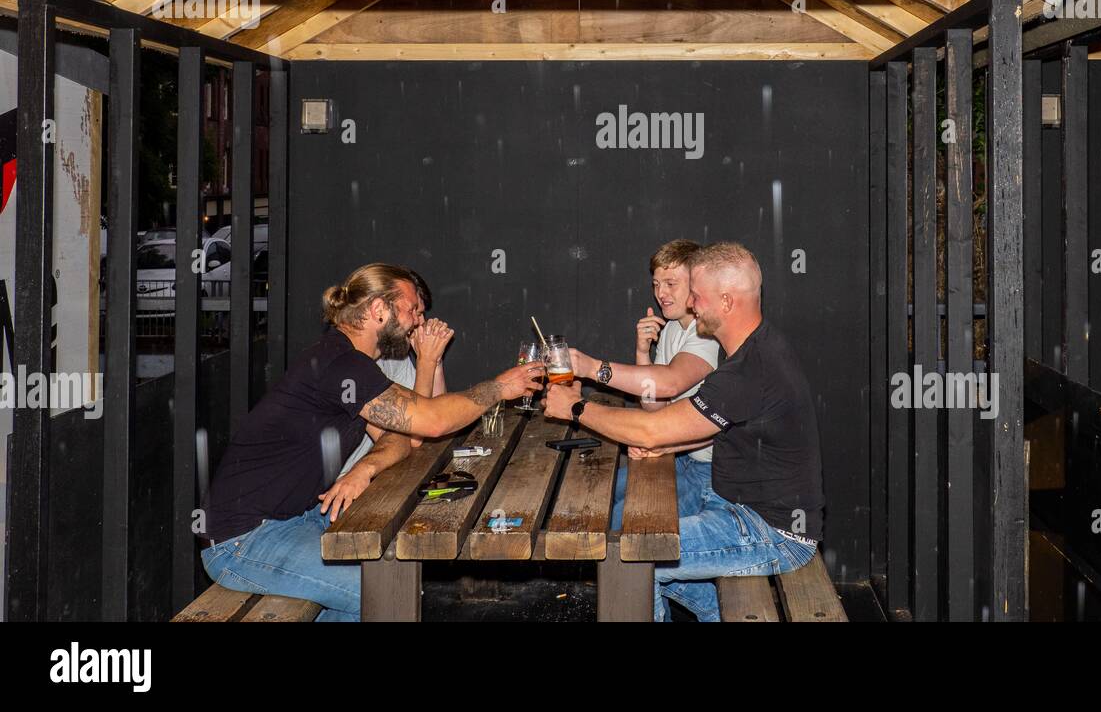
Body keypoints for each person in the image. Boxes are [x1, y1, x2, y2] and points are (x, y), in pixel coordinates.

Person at [201, 263, 542, 621]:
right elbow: (434, 420)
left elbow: (397, 439)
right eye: (412, 309)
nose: (416, 321)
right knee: (385, 596)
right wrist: (501, 388)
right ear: (379, 310)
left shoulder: (352, 363)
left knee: (390, 580)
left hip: (295, 521)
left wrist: (366, 467)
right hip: (241, 540)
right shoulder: (340, 364)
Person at [545, 242, 824, 622]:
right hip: (736, 506)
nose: (691, 304)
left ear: (726, 301)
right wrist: (667, 440)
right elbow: (714, 429)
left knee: (629, 555)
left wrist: (577, 408)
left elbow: (650, 428)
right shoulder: (756, 348)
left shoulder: (748, 370)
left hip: (776, 533)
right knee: (633, 542)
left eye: (697, 294)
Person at [566, 239, 720, 528]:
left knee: (625, 528)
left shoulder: (708, 335)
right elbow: (654, 406)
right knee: (594, 496)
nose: (661, 293)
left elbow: (670, 384)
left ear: (696, 283)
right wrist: (642, 352)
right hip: (680, 457)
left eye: (671, 283)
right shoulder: (673, 326)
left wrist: (591, 369)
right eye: (656, 284)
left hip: (711, 473)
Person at [338, 270, 450, 477]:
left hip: (373, 476)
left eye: (421, 312)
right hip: (337, 487)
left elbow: (437, 414)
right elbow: (415, 436)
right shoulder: (359, 363)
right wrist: (426, 361)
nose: (420, 322)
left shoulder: (393, 356)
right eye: (414, 312)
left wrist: (436, 361)